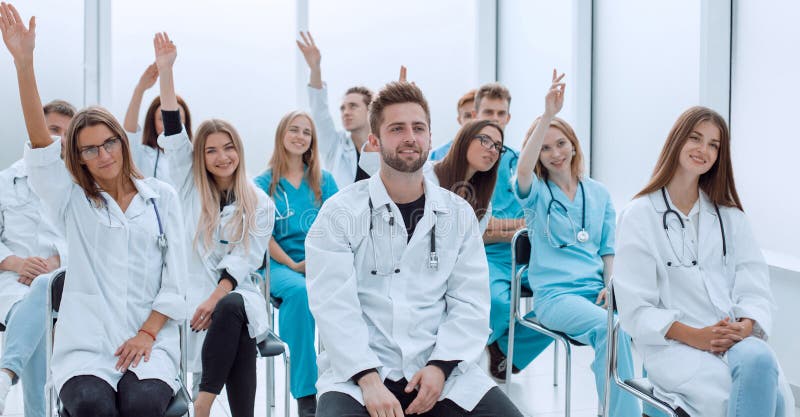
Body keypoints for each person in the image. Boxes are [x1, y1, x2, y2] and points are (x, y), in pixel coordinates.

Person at [0, 5, 188, 417]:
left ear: (122, 141)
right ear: (78, 157)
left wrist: (145, 333)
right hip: (86, 349)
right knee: (92, 405)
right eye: (89, 149)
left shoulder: (161, 199)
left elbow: (175, 283)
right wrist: (24, 64)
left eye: (110, 143)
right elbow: (41, 146)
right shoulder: (73, 203)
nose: (103, 154)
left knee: (140, 405)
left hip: (150, 343)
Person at [306, 81, 523, 417]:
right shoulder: (340, 212)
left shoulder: (458, 213)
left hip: (441, 371)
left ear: (430, 138)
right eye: (397, 129)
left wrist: (440, 367)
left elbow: (470, 303)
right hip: (360, 375)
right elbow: (333, 307)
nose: (410, 137)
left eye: (418, 128)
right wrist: (368, 380)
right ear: (374, 142)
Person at [614, 106, 795, 417]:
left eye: (714, 144)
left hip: (733, 339)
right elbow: (636, 309)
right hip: (676, 346)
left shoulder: (729, 217)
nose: (704, 150)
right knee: (762, 399)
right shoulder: (640, 216)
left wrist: (744, 326)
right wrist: (698, 336)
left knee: (766, 372)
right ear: (676, 141)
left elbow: (754, 285)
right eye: (695, 138)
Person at [153, 33, 274, 417]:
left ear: (239, 150)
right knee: (234, 321)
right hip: (191, 294)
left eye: (229, 147)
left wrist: (215, 297)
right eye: (211, 150)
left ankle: (201, 406)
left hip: (229, 295)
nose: (222, 157)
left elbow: (246, 259)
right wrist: (166, 72)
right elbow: (173, 133)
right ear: (200, 157)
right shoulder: (188, 187)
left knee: (232, 306)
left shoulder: (259, 201)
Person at [513, 70, 639, 416]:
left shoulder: (597, 193)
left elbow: (607, 250)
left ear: (573, 144)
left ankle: (656, 409)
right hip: (556, 297)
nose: (555, 153)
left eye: (561, 143)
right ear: (537, 153)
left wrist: (612, 286)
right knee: (609, 328)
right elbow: (522, 172)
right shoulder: (536, 195)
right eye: (546, 148)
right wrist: (548, 115)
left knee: (648, 322)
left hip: (597, 293)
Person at [253, 110, 338, 417]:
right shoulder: (261, 184)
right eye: (294, 129)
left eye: (306, 132)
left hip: (319, 260)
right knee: (301, 294)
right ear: (281, 135)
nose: (300, 136)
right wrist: (293, 263)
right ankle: (306, 396)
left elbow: (337, 226)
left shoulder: (324, 181)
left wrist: (316, 261)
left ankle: (353, 382)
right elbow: (262, 236)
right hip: (277, 265)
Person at [0, 100, 73, 416]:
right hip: (11, 282)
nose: (60, 139)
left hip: (60, 281)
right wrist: (15, 262)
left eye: (67, 134)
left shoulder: (76, 186)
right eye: (53, 129)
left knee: (44, 289)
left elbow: (87, 240)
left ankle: (5, 376)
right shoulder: (4, 182)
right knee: (36, 316)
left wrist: (57, 261)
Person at [296, 31, 378, 188]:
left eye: (353, 106)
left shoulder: (385, 147)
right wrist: (315, 69)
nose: (346, 112)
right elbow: (320, 112)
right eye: (342, 108)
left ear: (370, 111)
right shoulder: (335, 146)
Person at [423, 119, 505, 234]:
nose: (493, 150)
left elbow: (470, 250)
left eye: (498, 146)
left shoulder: (484, 205)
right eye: (485, 140)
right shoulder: (425, 175)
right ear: (465, 140)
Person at [122, 62, 193, 179]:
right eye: (161, 119)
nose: (169, 125)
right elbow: (129, 134)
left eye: (177, 119)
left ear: (186, 123)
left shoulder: (192, 156)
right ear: (152, 123)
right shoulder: (143, 155)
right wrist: (140, 89)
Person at [428, 89, 476, 160]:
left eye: (477, 115)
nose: (474, 120)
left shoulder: (495, 153)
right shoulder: (439, 154)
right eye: (468, 116)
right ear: (459, 120)